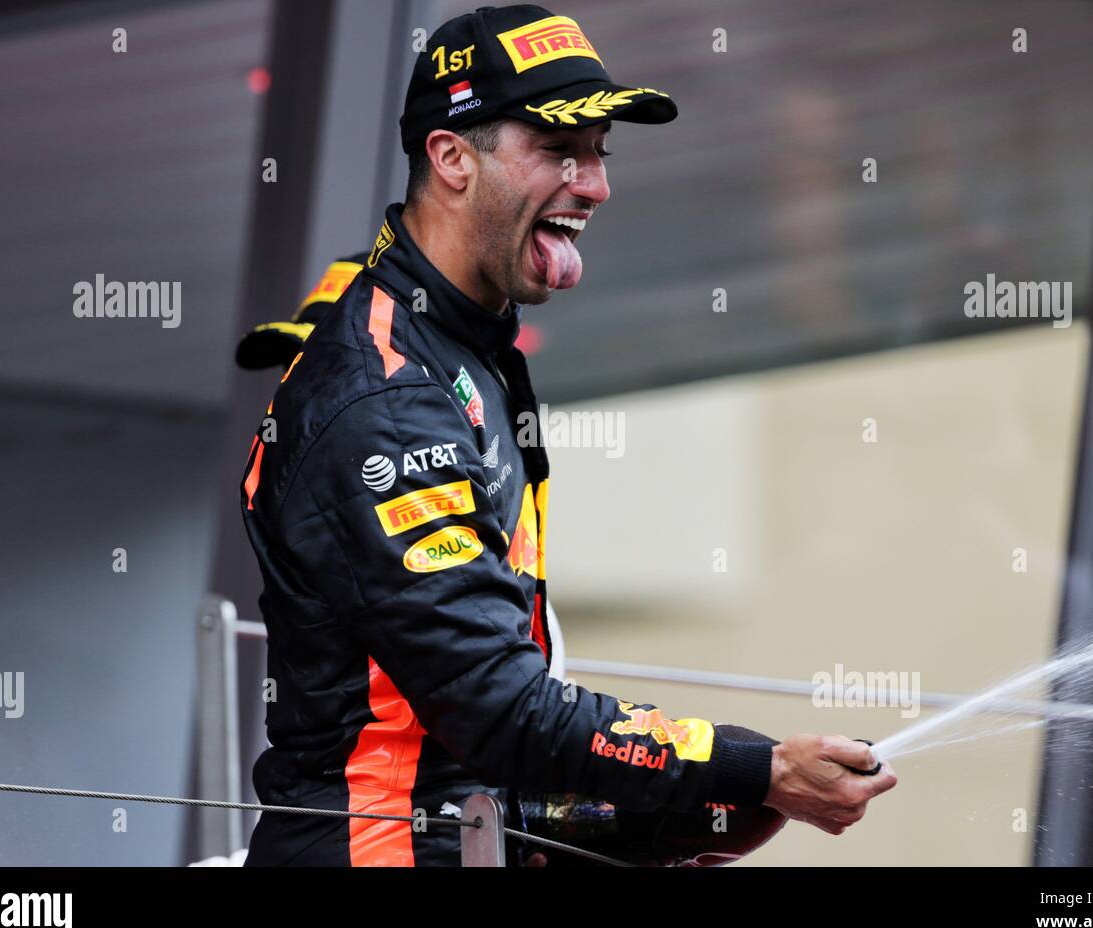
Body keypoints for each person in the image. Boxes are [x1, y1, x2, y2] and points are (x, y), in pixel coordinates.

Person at [240, 3, 896, 867]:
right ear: (450, 159)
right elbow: (497, 708)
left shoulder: (462, 347)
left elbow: (477, 752)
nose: (595, 184)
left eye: (599, 154)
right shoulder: (388, 401)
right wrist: (750, 767)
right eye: (559, 150)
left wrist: (676, 817)